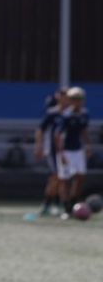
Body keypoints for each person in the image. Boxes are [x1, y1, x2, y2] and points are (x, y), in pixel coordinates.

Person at [32, 89, 68, 219]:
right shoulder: (52, 113)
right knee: (57, 176)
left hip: (67, 151)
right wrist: (38, 146)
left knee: (59, 178)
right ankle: (50, 206)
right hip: (53, 150)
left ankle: (58, 205)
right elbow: (40, 130)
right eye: (62, 96)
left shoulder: (71, 113)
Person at [55, 87, 90, 218]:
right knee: (64, 179)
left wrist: (88, 145)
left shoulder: (84, 114)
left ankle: (74, 202)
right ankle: (66, 207)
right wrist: (61, 153)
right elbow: (58, 135)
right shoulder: (65, 115)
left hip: (78, 150)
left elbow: (83, 131)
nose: (77, 102)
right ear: (70, 100)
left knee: (80, 177)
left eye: (79, 99)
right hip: (66, 150)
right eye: (74, 99)